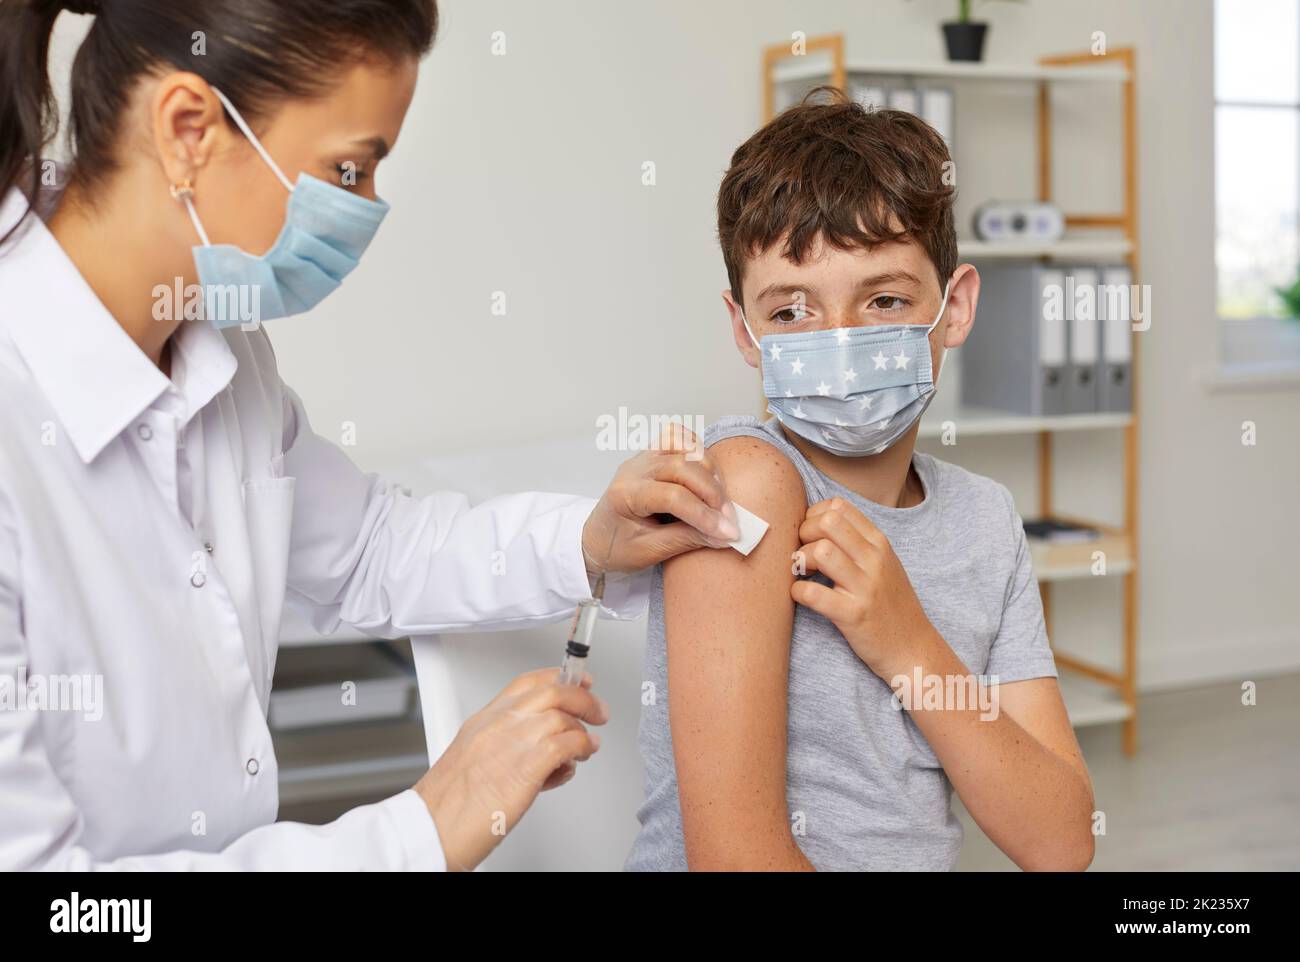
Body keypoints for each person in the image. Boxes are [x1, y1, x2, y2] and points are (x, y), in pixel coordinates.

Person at [0, 0, 739, 871]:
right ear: (190, 128)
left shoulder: (220, 351)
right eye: (348, 172)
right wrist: (427, 826)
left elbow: (370, 550)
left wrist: (591, 544)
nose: (366, 212)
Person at [627, 92, 1096, 871]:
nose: (840, 341)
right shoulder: (747, 484)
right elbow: (735, 858)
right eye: (791, 312)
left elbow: (1062, 841)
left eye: (883, 299)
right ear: (744, 330)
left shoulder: (984, 518)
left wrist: (908, 644)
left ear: (954, 307)